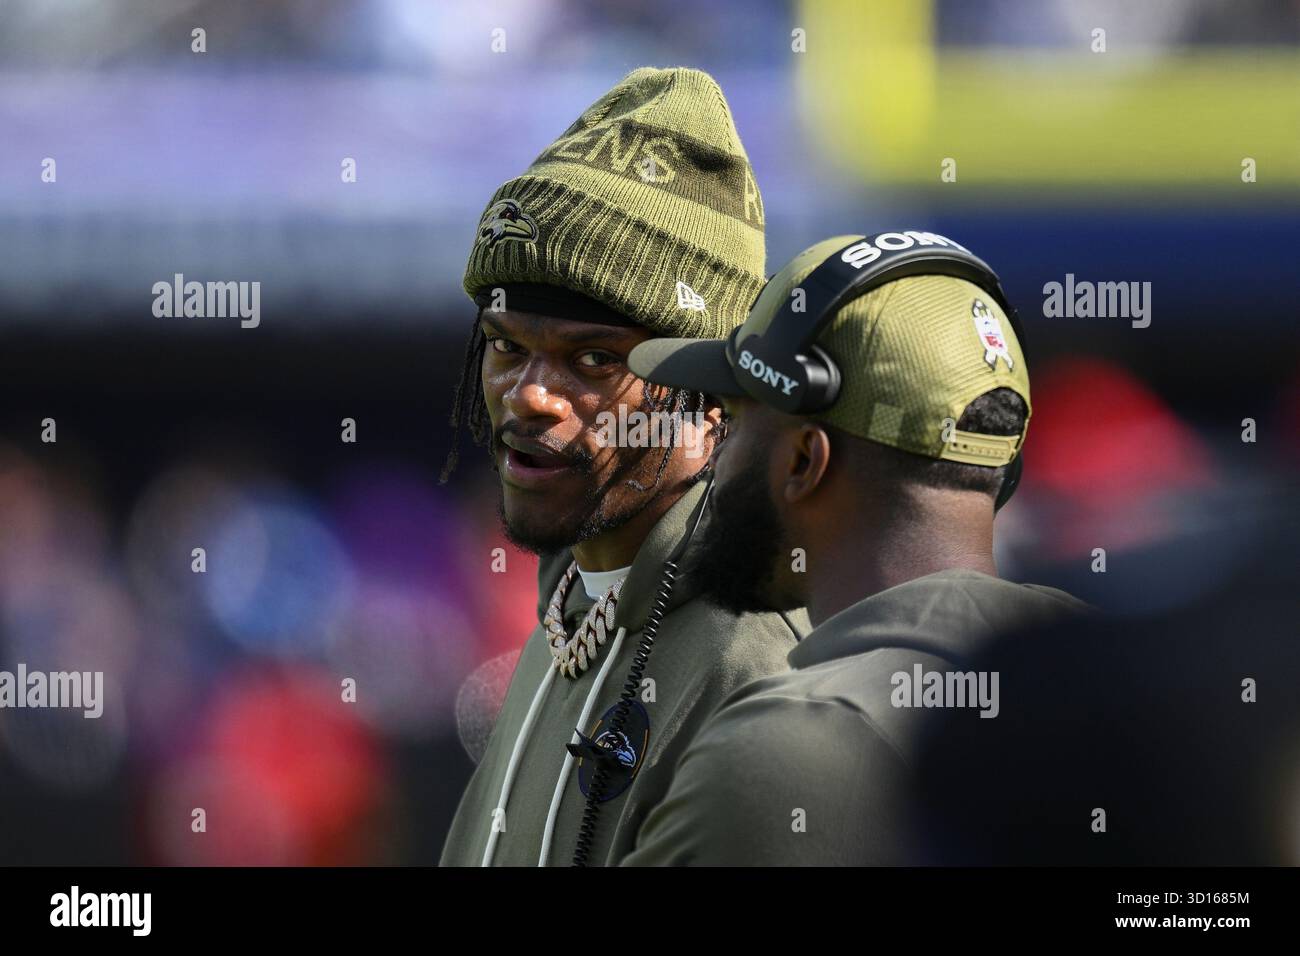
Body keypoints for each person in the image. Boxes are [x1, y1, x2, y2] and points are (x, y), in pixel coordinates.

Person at [620, 233, 1090, 865]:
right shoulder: (1128, 679)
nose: (716, 463)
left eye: (732, 422)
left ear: (804, 460)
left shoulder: (786, 748)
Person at [438, 67, 808, 867]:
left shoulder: (754, 668)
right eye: (506, 345)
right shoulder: (569, 599)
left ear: (711, 388)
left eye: (595, 358)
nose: (530, 395)